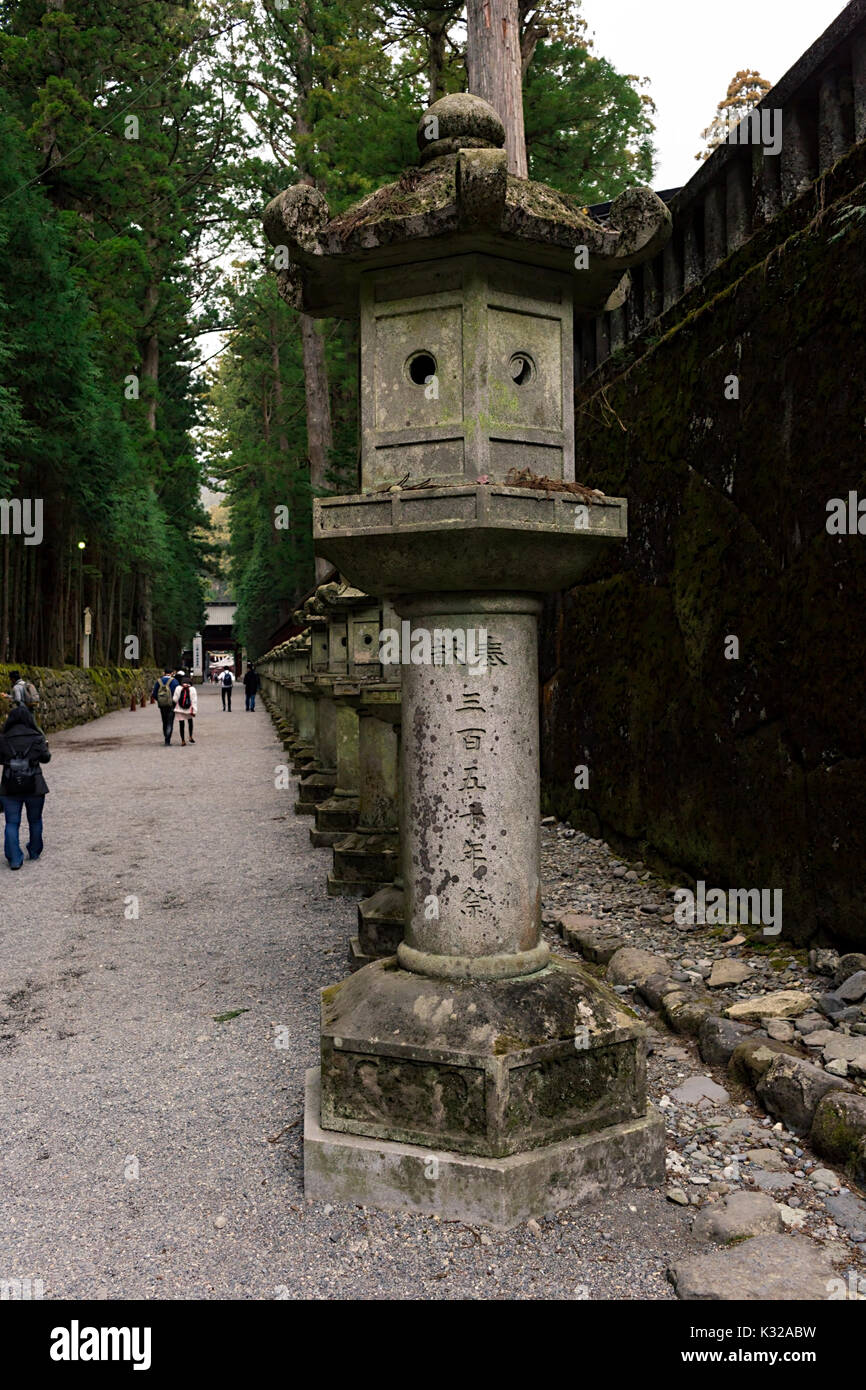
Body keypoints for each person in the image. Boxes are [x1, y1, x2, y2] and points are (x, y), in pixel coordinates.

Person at [0, 704, 51, 869]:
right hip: (34, 784)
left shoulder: (3, 738)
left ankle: (15, 859)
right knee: (35, 820)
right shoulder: (36, 736)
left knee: (11, 822)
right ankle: (34, 851)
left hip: (10, 784)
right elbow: (45, 758)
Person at [152, 667, 179, 745]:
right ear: (172, 673)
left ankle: (165, 736)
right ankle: (167, 740)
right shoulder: (174, 681)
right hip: (171, 704)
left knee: (164, 721)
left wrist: (160, 700)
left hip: (162, 705)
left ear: (164, 673)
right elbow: (177, 693)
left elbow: (154, 694)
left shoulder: (158, 681)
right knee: (170, 722)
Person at [174, 671, 197, 745]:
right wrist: (194, 710)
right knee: (190, 722)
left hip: (179, 709)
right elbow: (194, 700)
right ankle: (190, 736)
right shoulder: (192, 689)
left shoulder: (178, 688)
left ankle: (183, 740)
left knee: (181, 724)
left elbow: (175, 699)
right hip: (189, 709)